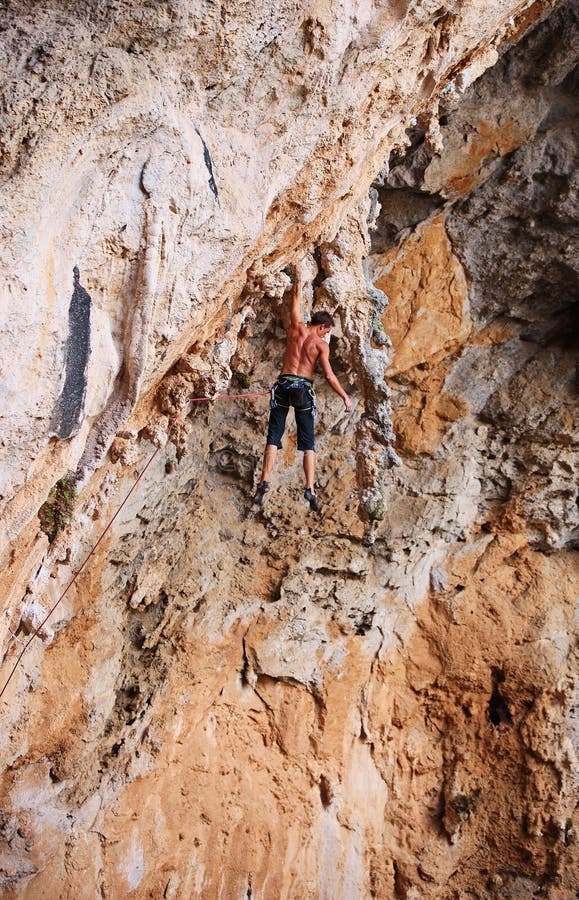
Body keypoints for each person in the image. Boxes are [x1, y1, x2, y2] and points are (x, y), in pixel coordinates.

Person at [254, 261, 352, 512]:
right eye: (327, 331)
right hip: (303, 390)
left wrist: (299, 274)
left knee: (273, 437)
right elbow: (329, 375)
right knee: (308, 444)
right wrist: (344, 397)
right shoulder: (321, 345)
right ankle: (310, 488)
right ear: (322, 327)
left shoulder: (296, 327)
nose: (326, 336)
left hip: (283, 385)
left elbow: (296, 298)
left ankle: (264, 481)